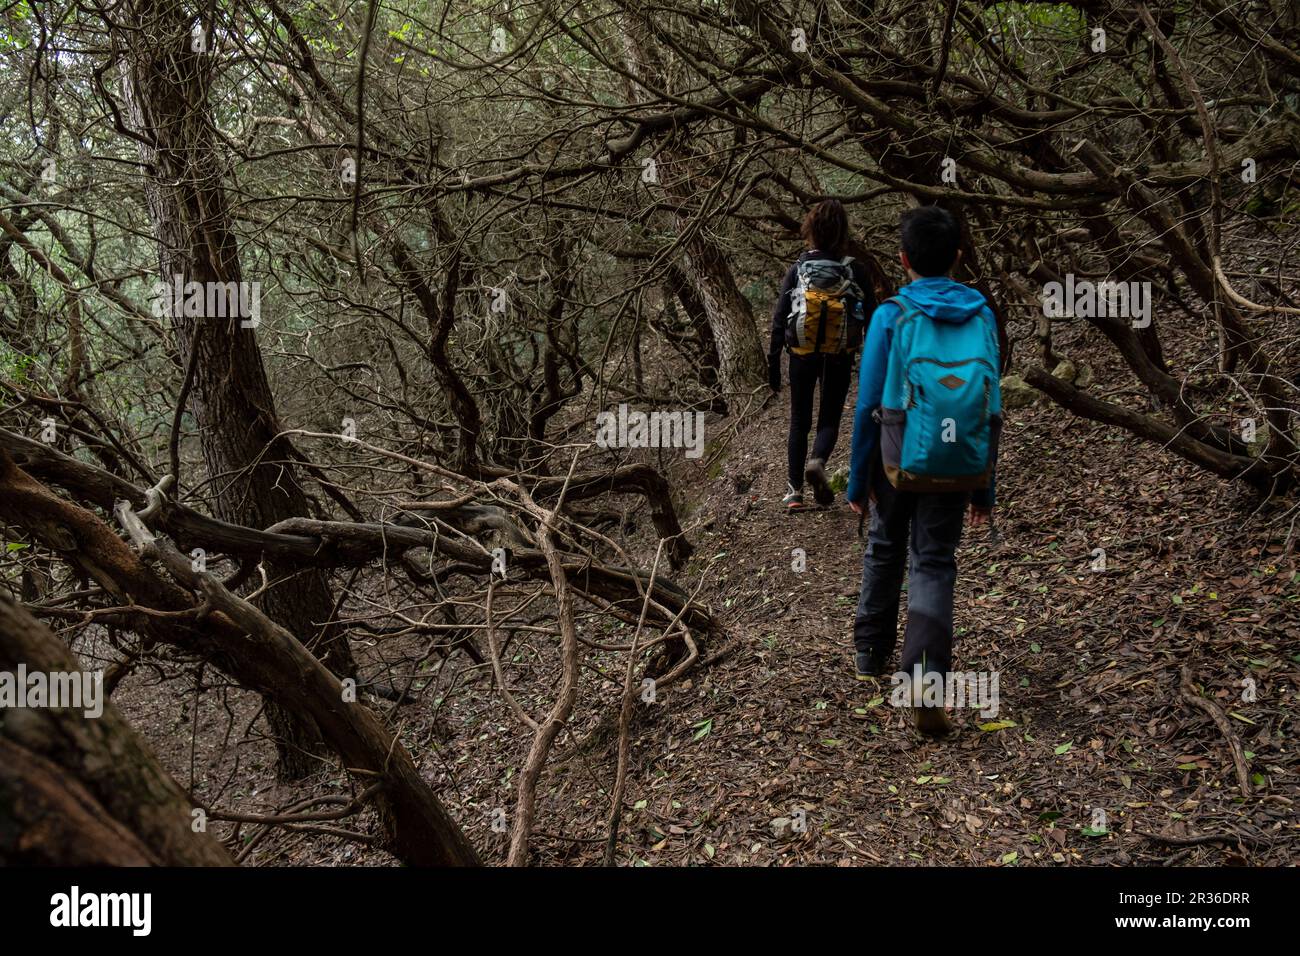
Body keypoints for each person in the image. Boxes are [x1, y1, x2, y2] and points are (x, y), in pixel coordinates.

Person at [845, 206, 1003, 737]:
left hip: (894, 456)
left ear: (903, 258)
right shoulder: (982, 313)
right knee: (933, 562)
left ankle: (871, 652)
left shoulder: (891, 314)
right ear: (958, 256)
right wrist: (985, 487)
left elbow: (868, 400)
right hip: (956, 462)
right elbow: (989, 407)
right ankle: (926, 681)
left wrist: (855, 481)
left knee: (885, 545)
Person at [769, 200, 876, 511]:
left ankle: (794, 492)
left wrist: (773, 365)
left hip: (801, 355)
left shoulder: (798, 269)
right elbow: (872, 317)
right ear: (843, 232)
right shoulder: (855, 270)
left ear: (810, 231)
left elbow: (779, 320)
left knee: (799, 420)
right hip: (838, 354)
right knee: (829, 417)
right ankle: (817, 461)